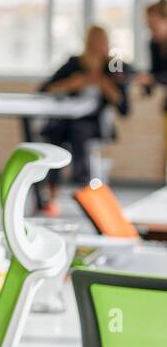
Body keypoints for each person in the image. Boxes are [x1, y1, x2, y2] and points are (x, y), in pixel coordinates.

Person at [37, 24, 130, 213]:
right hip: (66, 120)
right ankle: (50, 196)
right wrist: (73, 83)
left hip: (94, 123)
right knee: (54, 135)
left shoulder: (114, 66)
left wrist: (105, 85)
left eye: (101, 42)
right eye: (94, 42)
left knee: (79, 131)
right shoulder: (75, 63)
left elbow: (124, 107)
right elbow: (45, 88)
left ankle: (83, 185)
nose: (98, 46)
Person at [134, 0, 167, 151]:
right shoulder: (153, 43)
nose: (151, 32)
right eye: (149, 27)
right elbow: (155, 73)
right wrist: (145, 85)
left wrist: (152, 78)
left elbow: (157, 76)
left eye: (154, 26)